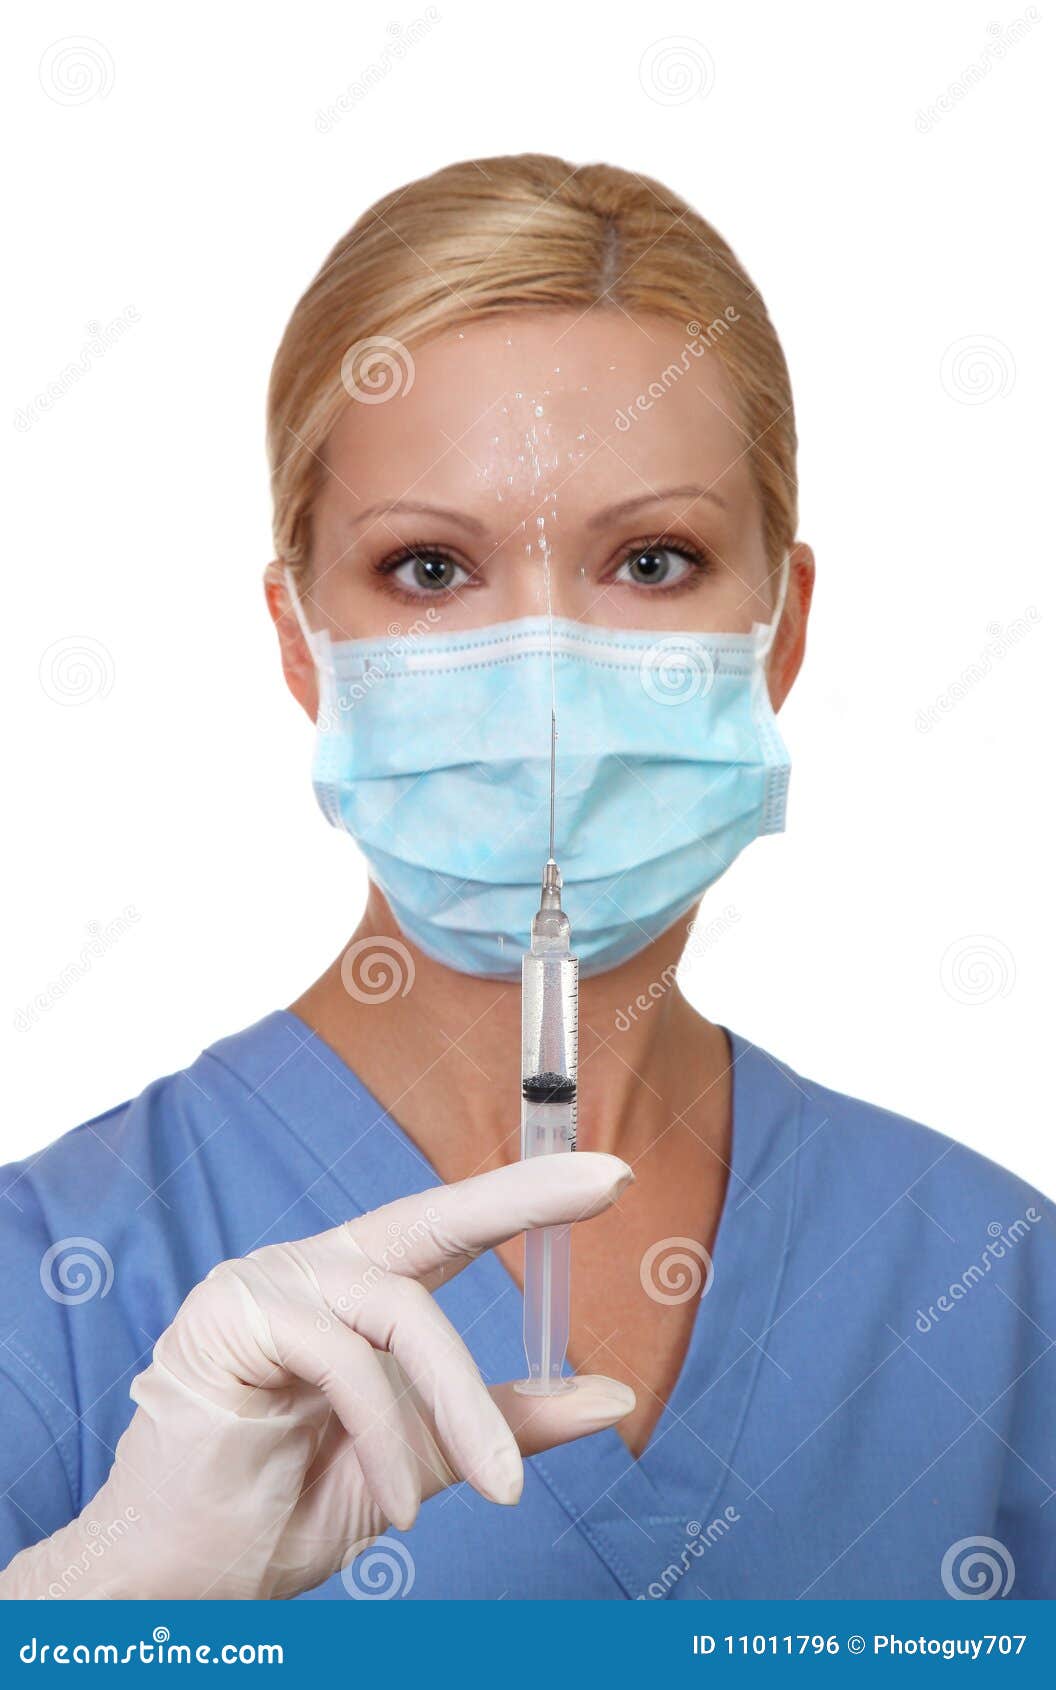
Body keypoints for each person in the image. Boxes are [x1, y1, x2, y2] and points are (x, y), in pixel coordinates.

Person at [1, 154, 1052, 1602]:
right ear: (302, 642)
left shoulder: (990, 1278)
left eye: (655, 560)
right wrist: (87, 1611)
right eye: (430, 569)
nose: (547, 681)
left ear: (782, 630)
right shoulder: (56, 1279)